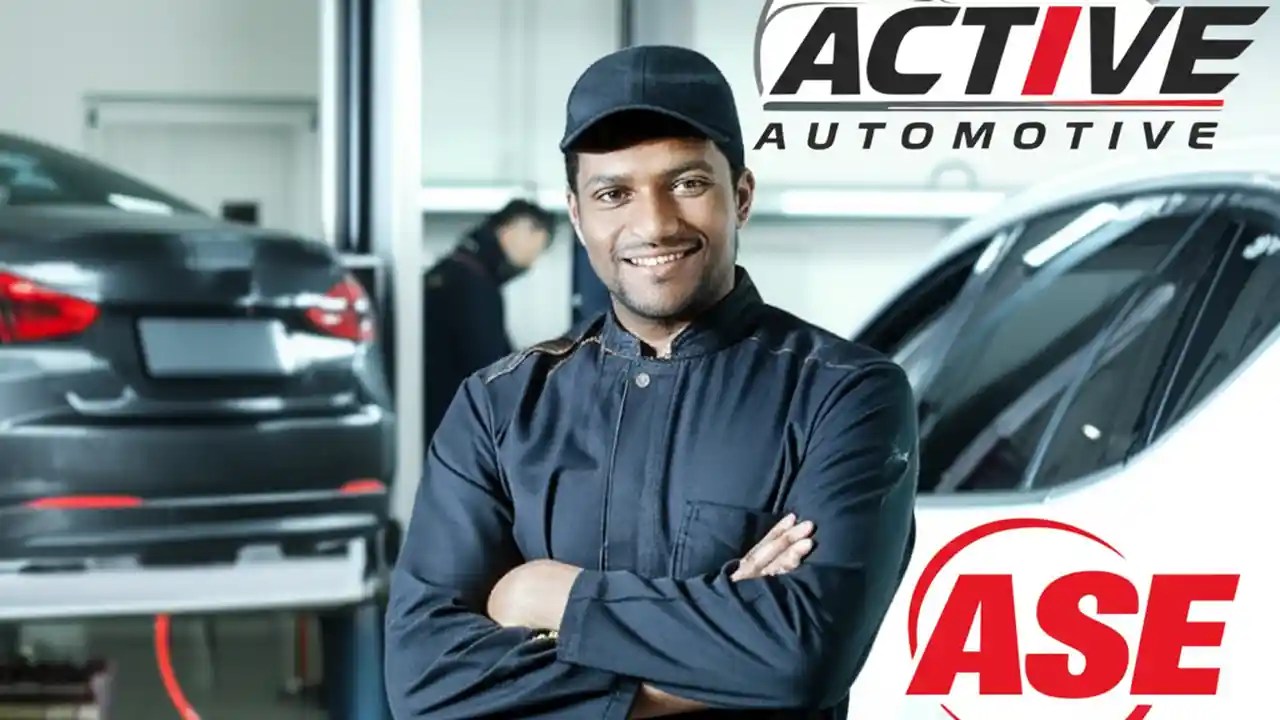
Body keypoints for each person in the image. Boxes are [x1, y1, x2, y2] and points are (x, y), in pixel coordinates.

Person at [386, 44, 918, 719]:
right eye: (613, 193)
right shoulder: (498, 406)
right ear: (578, 215)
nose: (655, 222)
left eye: (688, 183)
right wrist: (715, 646)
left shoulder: (844, 395)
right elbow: (424, 681)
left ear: (741, 195)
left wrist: (546, 596)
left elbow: (802, 658)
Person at [421, 199, 556, 443]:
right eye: (538, 246)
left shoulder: (451, 270)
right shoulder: (475, 285)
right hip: (455, 426)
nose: (531, 262)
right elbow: (487, 364)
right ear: (518, 229)